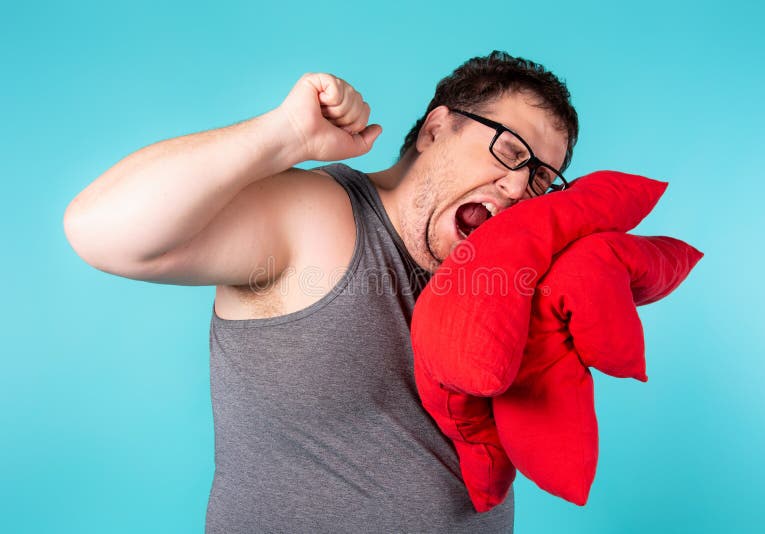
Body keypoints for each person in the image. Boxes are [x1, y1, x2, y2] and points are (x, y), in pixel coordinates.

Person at [63, 50, 579, 533]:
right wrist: (282, 135)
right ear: (436, 130)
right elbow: (101, 230)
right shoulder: (315, 212)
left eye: (540, 179)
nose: (517, 189)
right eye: (510, 152)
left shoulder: (504, 277)